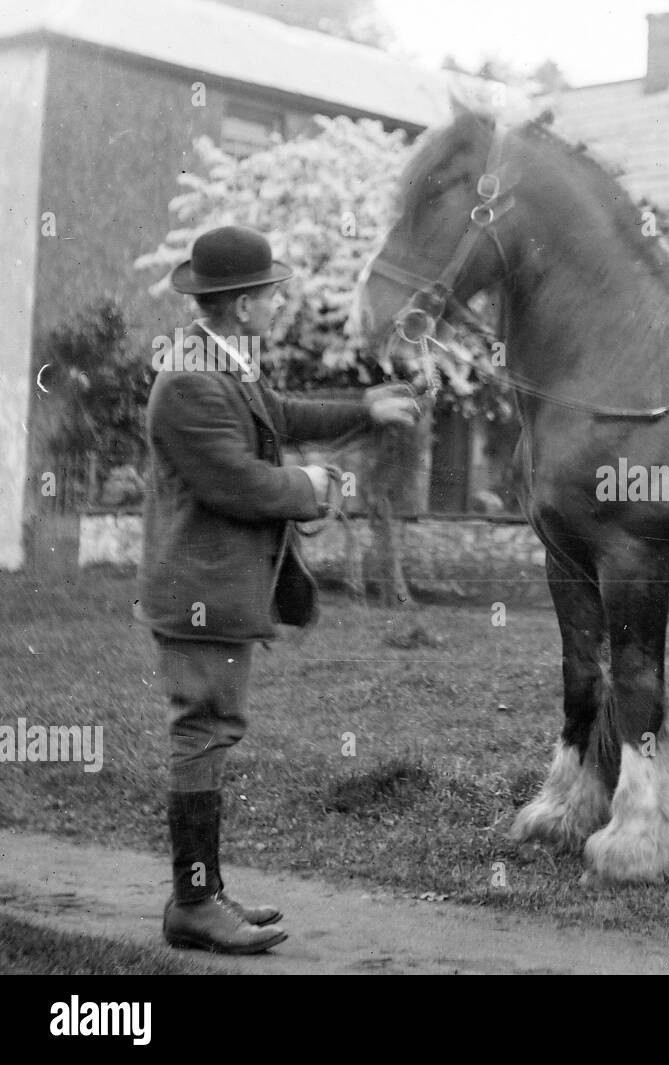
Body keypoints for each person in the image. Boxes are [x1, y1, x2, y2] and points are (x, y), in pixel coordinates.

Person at [139, 225, 419, 953]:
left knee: (214, 730)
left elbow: (282, 416)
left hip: (222, 586)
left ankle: (204, 892)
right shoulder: (191, 379)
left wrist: (367, 408)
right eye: (270, 292)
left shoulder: (222, 359)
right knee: (202, 732)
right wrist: (312, 485)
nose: (279, 302)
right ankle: (194, 902)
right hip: (201, 587)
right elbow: (236, 480)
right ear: (240, 304)